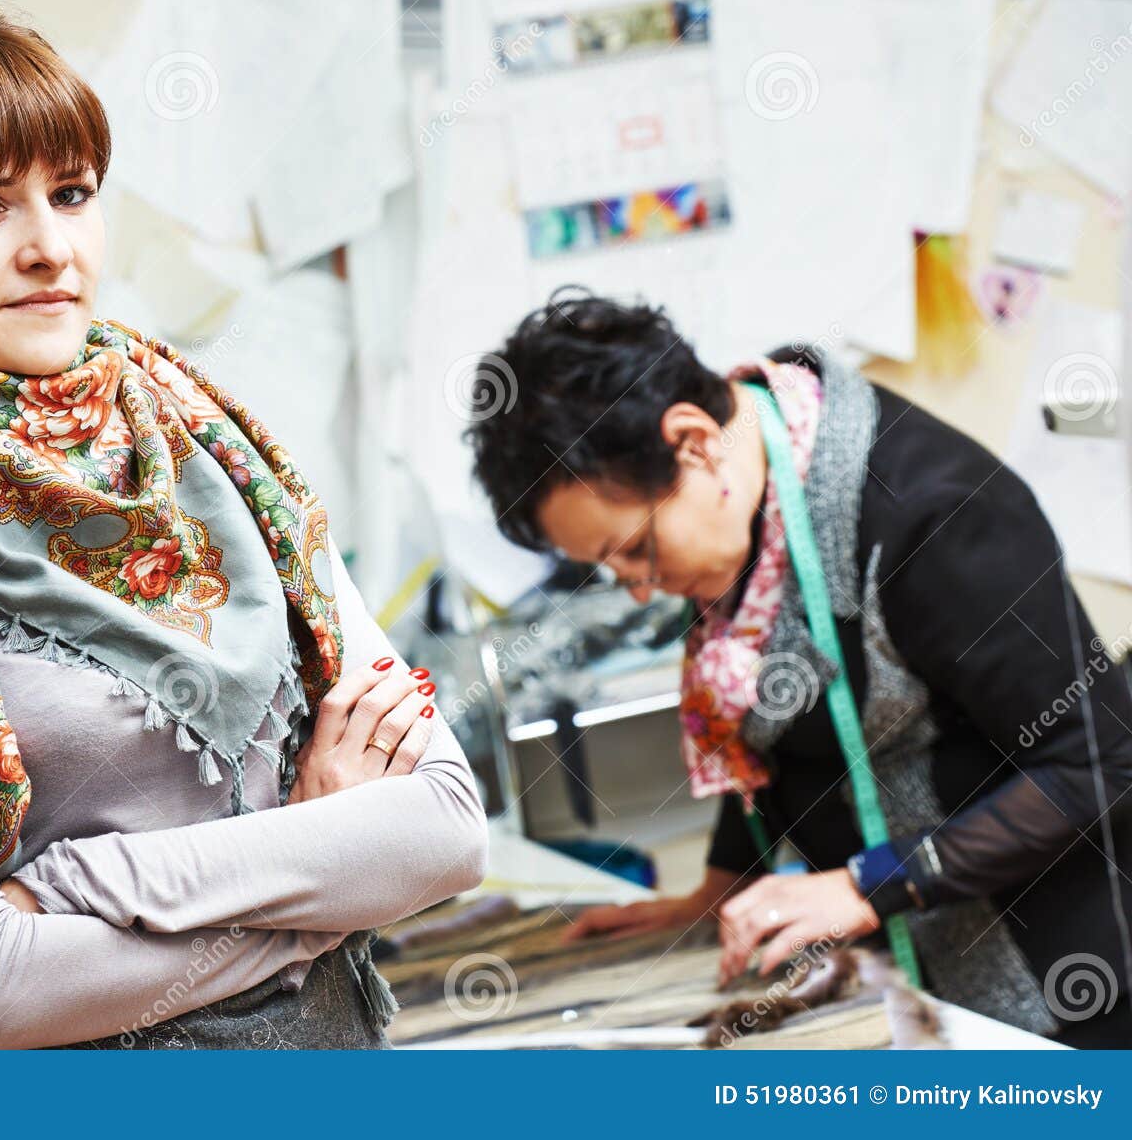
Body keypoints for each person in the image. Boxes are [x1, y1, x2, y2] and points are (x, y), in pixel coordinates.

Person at [0, 0, 486, 1050]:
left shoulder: (223, 451)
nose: (51, 249)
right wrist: (326, 882)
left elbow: (446, 831)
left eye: (72, 194)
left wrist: (73, 886)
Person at [465, 288, 1132, 1047]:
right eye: (610, 570)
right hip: (904, 966)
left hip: (1063, 987)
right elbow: (772, 731)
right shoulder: (745, 494)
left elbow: (1099, 760)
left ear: (690, 442)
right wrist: (719, 890)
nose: (643, 588)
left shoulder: (934, 515)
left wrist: (872, 884)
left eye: (636, 551)